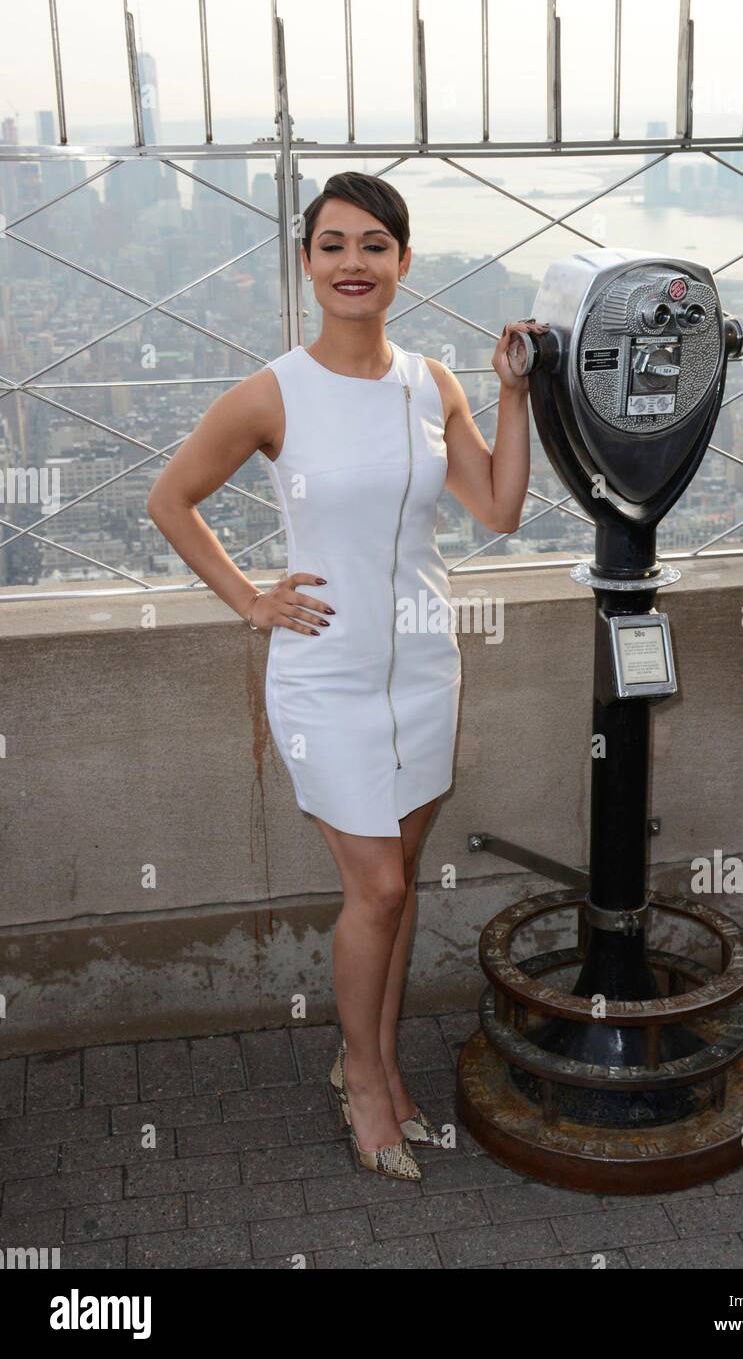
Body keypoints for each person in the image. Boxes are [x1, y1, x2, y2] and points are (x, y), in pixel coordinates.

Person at [147, 169, 546, 1181]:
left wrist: (508, 396)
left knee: (399, 885)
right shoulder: (273, 392)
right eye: (332, 245)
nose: (352, 263)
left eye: (373, 244)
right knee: (373, 888)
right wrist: (250, 599)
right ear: (307, 263)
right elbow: (171, 498)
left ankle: (370, 1058)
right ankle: (365, 1079)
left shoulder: (430, 383)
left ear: (403, 261)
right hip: (324, 675)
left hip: (420, 666)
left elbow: (495, 509)